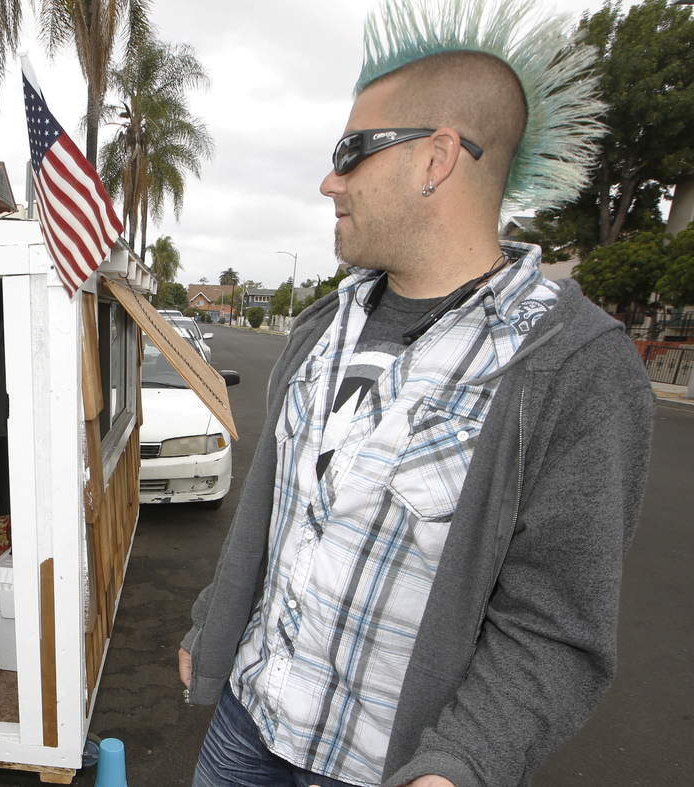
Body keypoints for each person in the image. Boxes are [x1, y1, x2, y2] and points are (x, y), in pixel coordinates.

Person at [178, 2, 655, 786]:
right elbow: (284, 518)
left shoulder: (576, 370)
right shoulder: (319, 327)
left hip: (383, 769)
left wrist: (462, 762)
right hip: (246, 723)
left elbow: (555, 626)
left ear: (436, 159)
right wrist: (214, 617)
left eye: (351, 151)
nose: (329, 179)